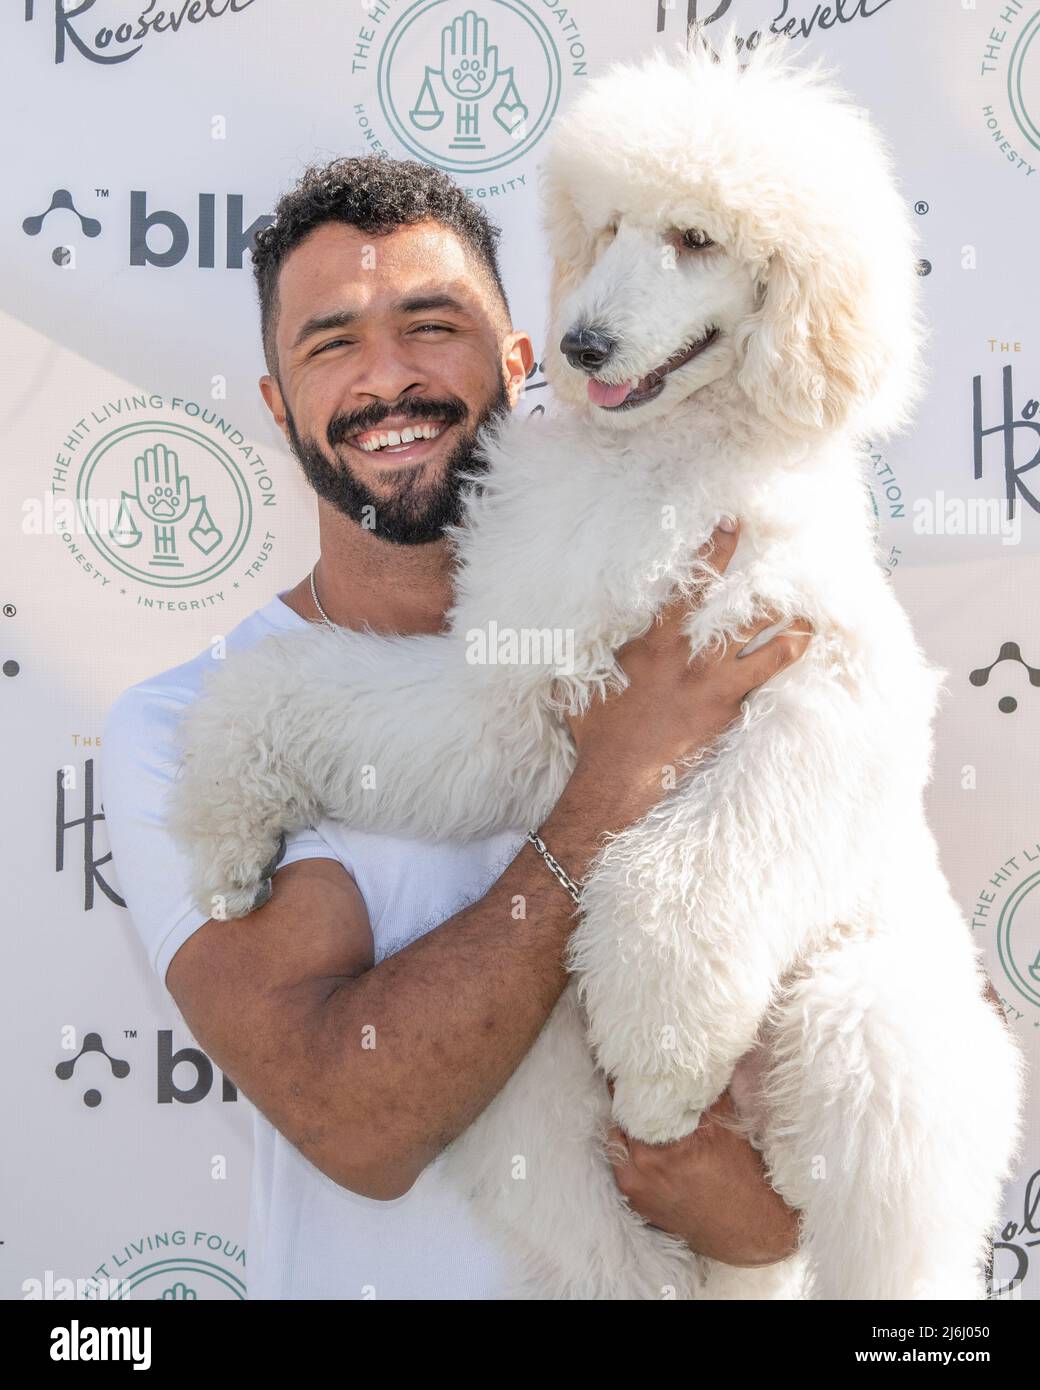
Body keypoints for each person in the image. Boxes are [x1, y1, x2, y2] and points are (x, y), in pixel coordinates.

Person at [101, 154, 819, 1300]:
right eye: (330, 342)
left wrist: (765, 1222)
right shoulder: (186, 727)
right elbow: (353, 1116)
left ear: (522, 361)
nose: (386, 379)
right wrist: (615, 775)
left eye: (430, 326)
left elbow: (868, 977)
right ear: (280, 406)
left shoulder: (706, 609)